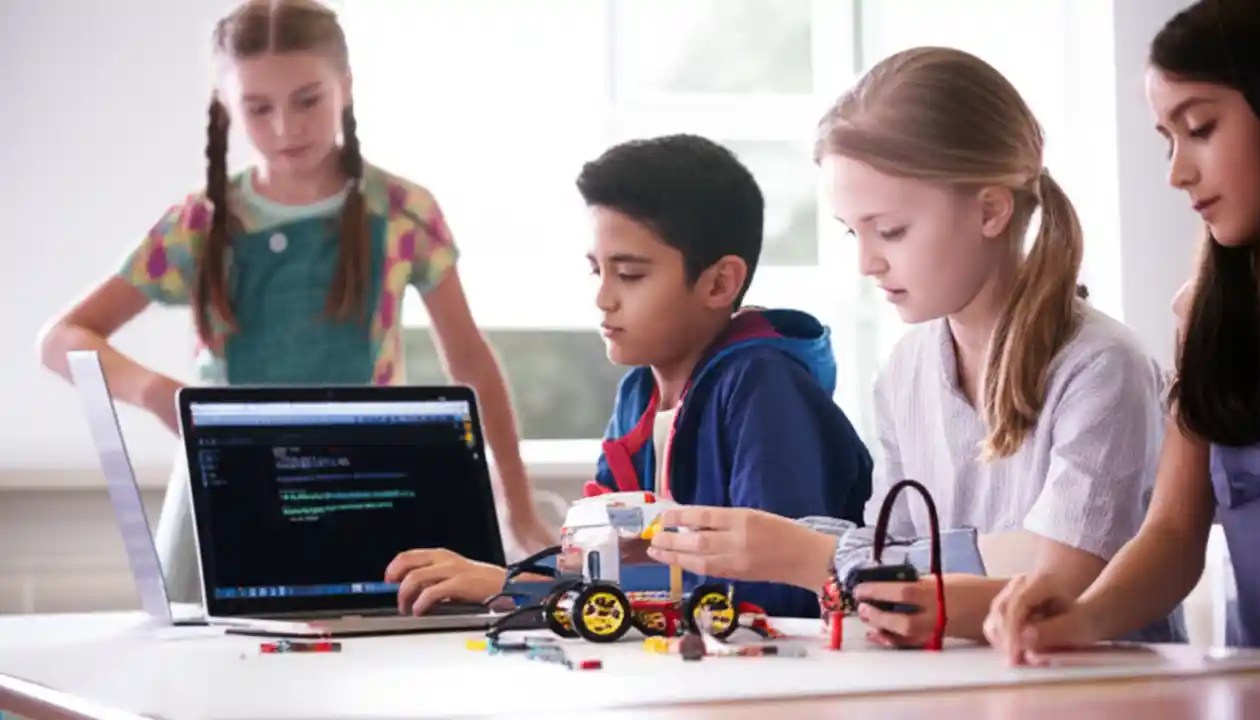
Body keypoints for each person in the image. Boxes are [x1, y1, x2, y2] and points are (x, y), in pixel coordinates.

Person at [646, 47, 1183, 646]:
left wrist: (816, 556)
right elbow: (891, 559)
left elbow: (1057, 591)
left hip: (1104, 683)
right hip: (957, 679)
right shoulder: (906, 370)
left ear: (990, 210)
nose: (867, 262)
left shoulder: (1101, 366)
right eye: (853, 232)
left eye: (891, 231)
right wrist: (860, 568)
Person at [37, 0, 552, 604]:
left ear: (346, 87)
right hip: (223, 498)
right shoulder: (198, 224)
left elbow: (470, 362)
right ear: (226, 107)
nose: (286, 128)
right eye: (259, 108)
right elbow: (62, 339)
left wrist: (518, 511)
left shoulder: (405, 212)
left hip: (369, 493)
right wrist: (156, 394)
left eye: (307, 100)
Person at [385, 134, 874, 619]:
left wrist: (522, 589)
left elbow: (779, 594)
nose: (603, 298)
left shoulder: (764, 388)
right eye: (596, 271)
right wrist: (506, 582)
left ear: (719, 283)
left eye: (630, 275)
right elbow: (591, 560)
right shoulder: (639, 392)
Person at [985, 0, 1260, 659]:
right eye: (1168, 139)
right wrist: (1083, 617)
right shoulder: (1204, 316)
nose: (1177, 172)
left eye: (1200, 128)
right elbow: (1173, 534)